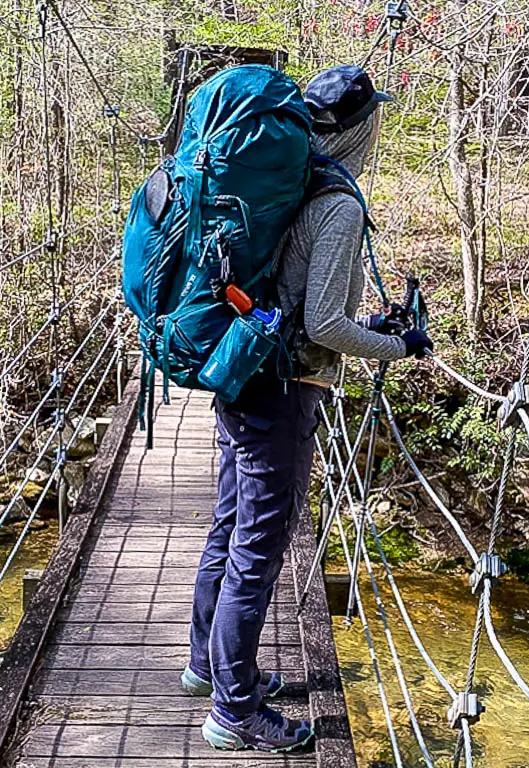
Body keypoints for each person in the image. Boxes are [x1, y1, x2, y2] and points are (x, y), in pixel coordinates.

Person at [181, 64, 434, 752]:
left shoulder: (290, 184)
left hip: (244, 373)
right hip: (287, 389)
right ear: (360, 128)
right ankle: (233, 713)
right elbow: (323, 324)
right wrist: (400, 346)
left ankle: (208, 669)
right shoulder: (338, 202)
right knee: (257, 551)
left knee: (229, 528)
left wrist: (370, 327)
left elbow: (300, 296)